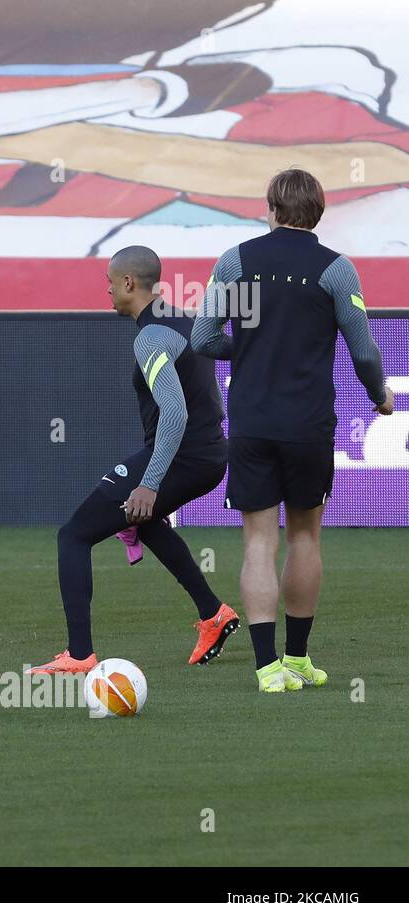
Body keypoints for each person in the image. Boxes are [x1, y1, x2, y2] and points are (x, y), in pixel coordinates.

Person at [192, 169, 394, 693]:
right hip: (307, 424)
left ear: (271, 209)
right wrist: (379, 396)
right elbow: (365, 352)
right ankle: (299, 658)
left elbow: (202, 337)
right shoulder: (336, 270)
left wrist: (252, 349)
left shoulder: (237, 263)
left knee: (260, 541)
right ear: (318, 213)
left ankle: (267, 668)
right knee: (305, 536)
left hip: (253, 422)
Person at [29, 246, 239, 675]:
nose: (106, 290)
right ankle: (212, 613)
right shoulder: (187, 321)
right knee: (141, 519)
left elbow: (175, 412)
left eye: (110, 281)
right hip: (209, 453)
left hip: (186, 456)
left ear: (128, 282)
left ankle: (80, 655)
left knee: (73, 536)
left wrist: (150, 483)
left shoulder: (151, 337)